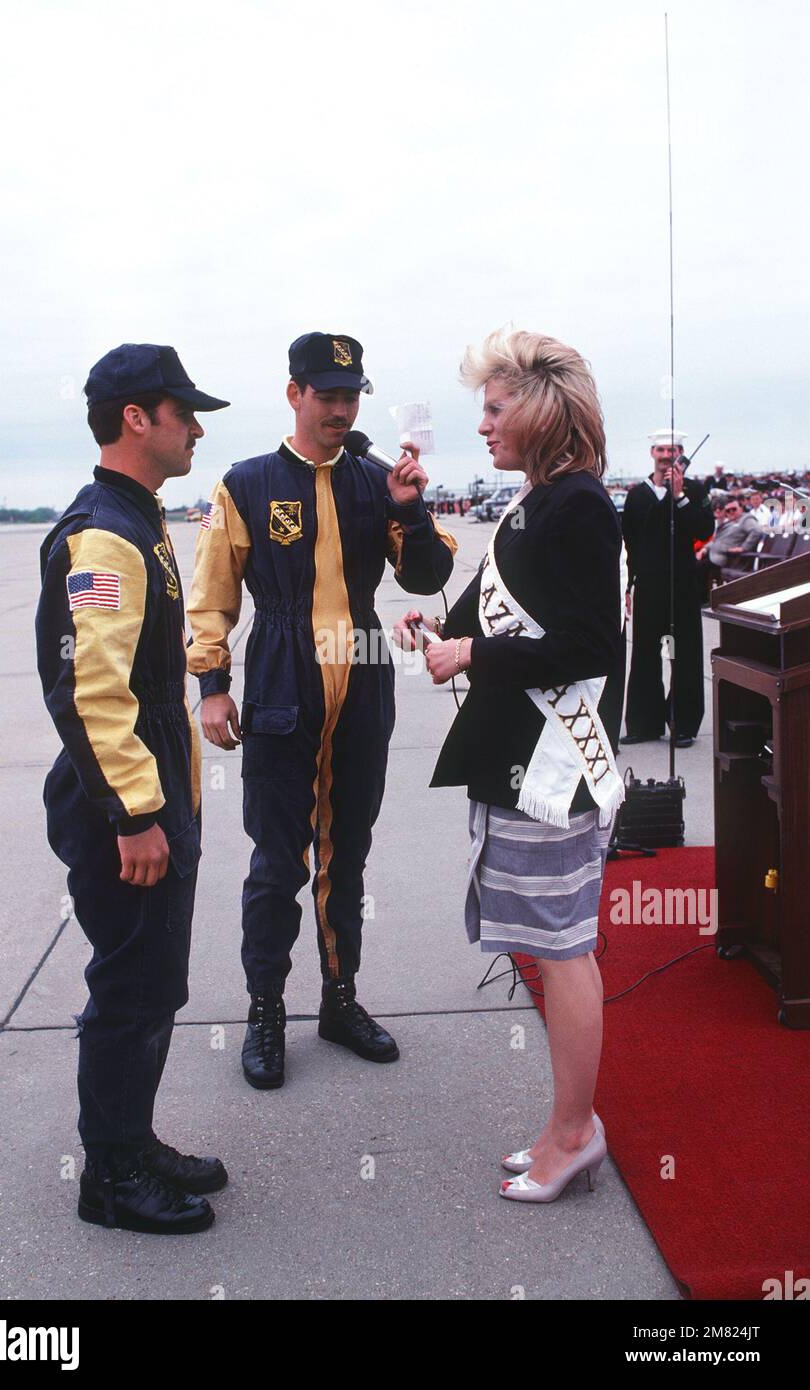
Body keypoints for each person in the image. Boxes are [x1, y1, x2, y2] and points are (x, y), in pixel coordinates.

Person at [187, 332, 457, 1089]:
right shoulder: (245, 483)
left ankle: (339, 999)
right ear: (294, 394)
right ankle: (265, 1010)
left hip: (363, 670)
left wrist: (412, 505)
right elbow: (211, 594)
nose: (340, 408)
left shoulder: (379, 480)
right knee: (278, 862)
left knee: (348, 854)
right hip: (281, 669)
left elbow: (427, 573)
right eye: (327, 394)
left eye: (351, 396)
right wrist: (212, 685)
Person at [394, 327, 624, 1204]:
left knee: (563, 952)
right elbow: (486, 616)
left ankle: (574, 1132)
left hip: (551, 767)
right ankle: (568, 1126)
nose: (483, 425)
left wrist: (475, 660)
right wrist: (441, 636)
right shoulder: (536, 501)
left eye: (495, 408)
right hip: (518, 760)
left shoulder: (578, 506)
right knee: (551, 947)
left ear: (538, 407)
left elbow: (589, 642)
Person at [36, 344, 229, 1234]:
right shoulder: (104, 530)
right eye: (182, 411)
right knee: (130, 989)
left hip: (154, 803)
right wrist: (138, 816)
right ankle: (108, 1179)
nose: (195, 427)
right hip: (128, 814)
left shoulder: (140, 516)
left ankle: (131, 1138)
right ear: (134, 420)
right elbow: (91, 690)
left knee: (156, 986)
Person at [620, 429, 714, 749]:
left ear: (681, 453)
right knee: (645, 654)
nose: (665, 455)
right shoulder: (637, 495)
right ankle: (644, 724)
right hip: (648, 585)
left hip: (684, 586)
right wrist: (629, 587)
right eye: (660, 449)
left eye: (672, 449)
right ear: (652, 454)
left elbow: (705, 528)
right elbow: (631, 543)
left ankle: (683, 724)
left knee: (685, 655)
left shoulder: (696, 489)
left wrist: (679, 497)